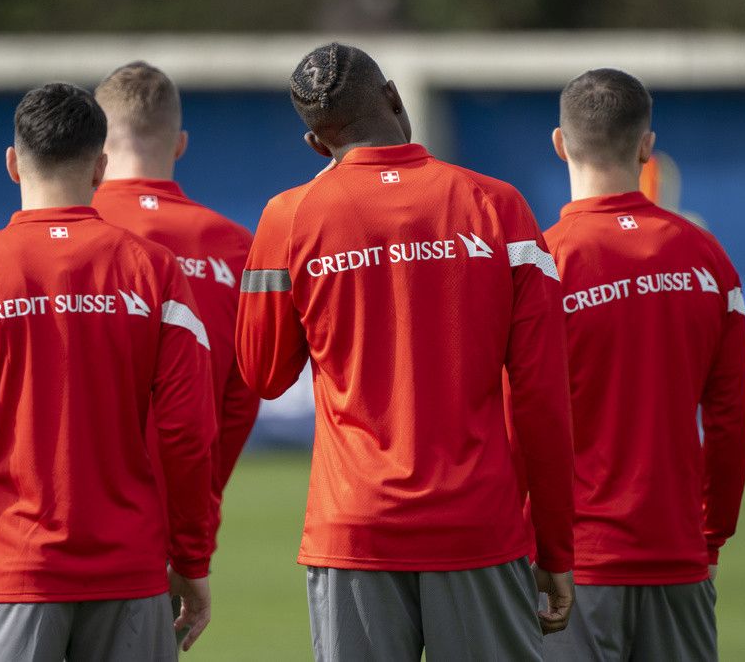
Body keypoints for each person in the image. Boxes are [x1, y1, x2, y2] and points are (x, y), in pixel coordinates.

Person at [235, 42, 576, 661]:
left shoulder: (287, 216)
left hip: (352, 529)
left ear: (316, 145)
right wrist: (555, 548)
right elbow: (542, 396)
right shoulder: (499, 206)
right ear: (393, 97)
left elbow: (261, 373)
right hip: (479, 529)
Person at [0, 83, 217, 661]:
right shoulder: (154, 273)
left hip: (9, 573)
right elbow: (189, 433)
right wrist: (190, 559)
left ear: (12, 164)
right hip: (131, 576)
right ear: (101, 167)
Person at [542, 68, 745, 661]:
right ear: (646, 146)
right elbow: (732, 417)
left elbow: (517, 419)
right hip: (680, 557)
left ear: (560, 144)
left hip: (576, 564)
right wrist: (713, 536)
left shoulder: (543, 263)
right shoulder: (707, 256)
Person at [91, 62, 260, 553]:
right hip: (168, 530)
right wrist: (199, 510)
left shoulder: (61, 233)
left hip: (48, 523)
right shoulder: (236, 246)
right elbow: (240, 397)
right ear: (180, 143)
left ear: (96, 144)